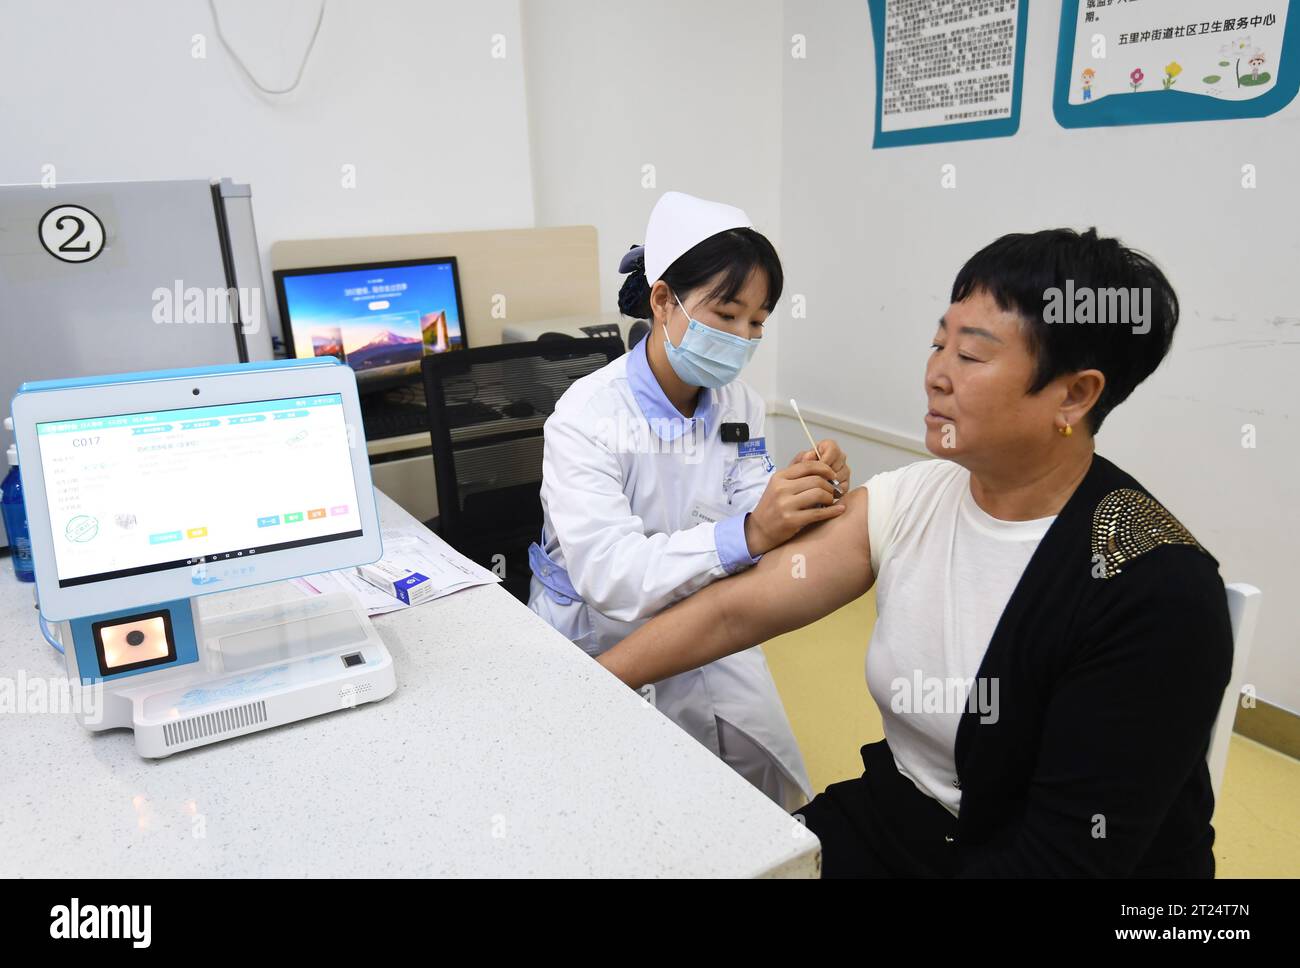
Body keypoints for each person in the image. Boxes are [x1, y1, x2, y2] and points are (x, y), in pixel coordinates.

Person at [596, 228, 1234, 877]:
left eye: (972, 357)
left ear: (1074, 395)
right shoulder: (918, 496)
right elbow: (736, 614)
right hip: (904, 822)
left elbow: (1062, 861)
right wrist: (592, 682)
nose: (936, 375)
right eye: (938, 344)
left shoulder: (1154, 590)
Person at [528, 191, 852, 810]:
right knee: (622, 805)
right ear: (661, 300)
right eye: (726, 313)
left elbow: (750, 495)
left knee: (773, 786)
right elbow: (611, 575)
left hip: (708, 613)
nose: (742, 337)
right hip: (601, 634)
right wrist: (752, 534)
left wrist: (803, 492)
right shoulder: (587, 416)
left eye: (757, 323)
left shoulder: (740, 405)